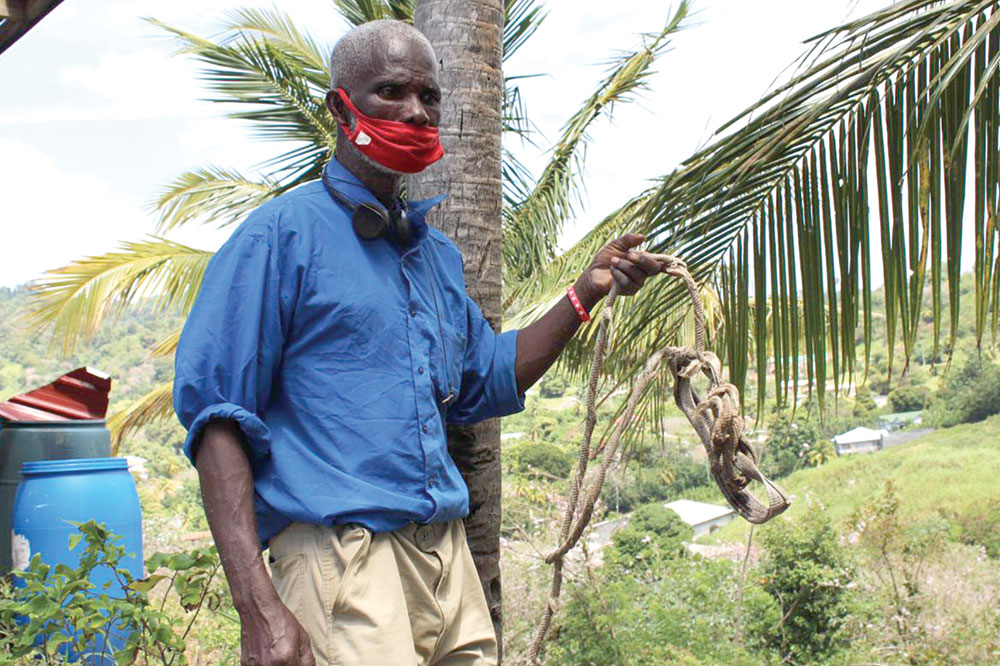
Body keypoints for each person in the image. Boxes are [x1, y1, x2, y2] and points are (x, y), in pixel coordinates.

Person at [173, 19, 662, 666]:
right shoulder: (278, 239)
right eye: (390, 92)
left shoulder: (433, 257)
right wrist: (259, 609)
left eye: (429, 97)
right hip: (342, 563)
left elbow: (487, 376)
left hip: (446, 560)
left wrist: (585, 292)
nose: (415, 110)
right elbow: (217, 424)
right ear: (339, 107)